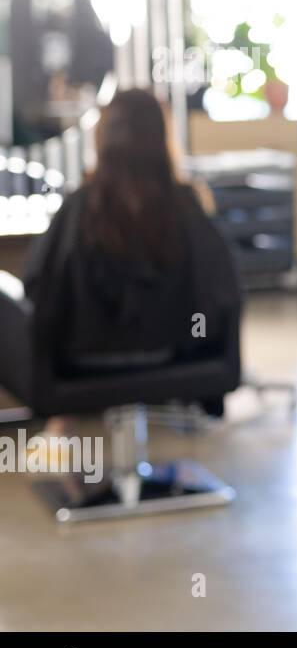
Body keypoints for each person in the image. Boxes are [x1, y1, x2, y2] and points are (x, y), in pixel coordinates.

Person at [15, 87, 234, 449]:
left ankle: (60, 427)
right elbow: (219, 291)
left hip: (81, 360)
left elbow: (38, 288)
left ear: (103, 138)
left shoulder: (80, 206)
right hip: (167, 354)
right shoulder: (186, 204)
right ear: (162, 137)